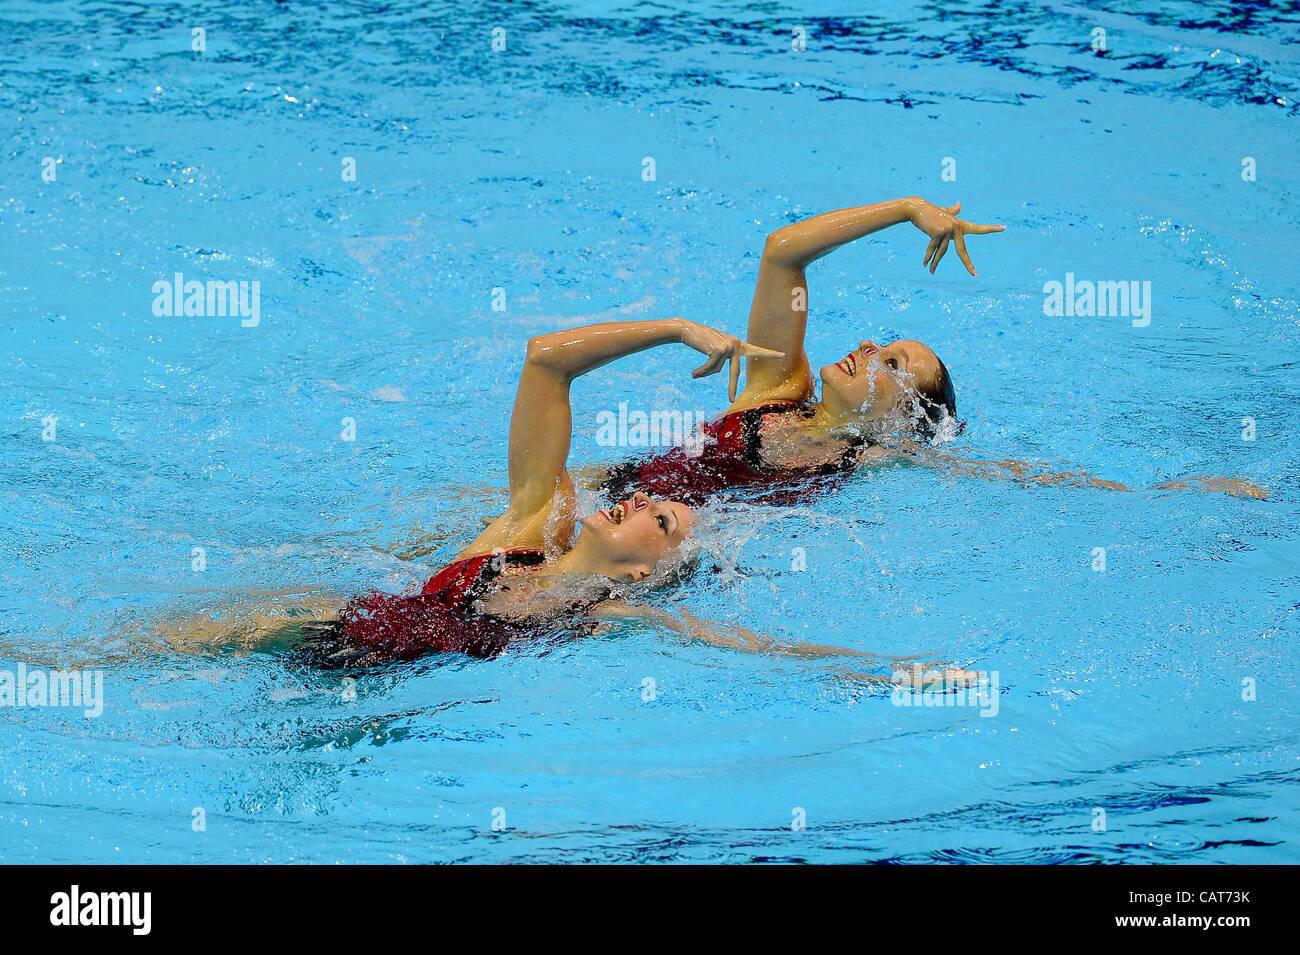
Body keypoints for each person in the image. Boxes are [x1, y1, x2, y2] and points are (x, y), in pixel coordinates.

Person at [600, 197, 1266, 504]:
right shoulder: (774, 387)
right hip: (599, 504)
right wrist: (907, 209)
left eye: (892, 363)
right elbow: (781, 251)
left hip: (644, 568)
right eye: (886, 343)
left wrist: (1181, 489)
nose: (869, 346)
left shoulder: (871, 458)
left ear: (899, 418)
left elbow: (1024, 477)